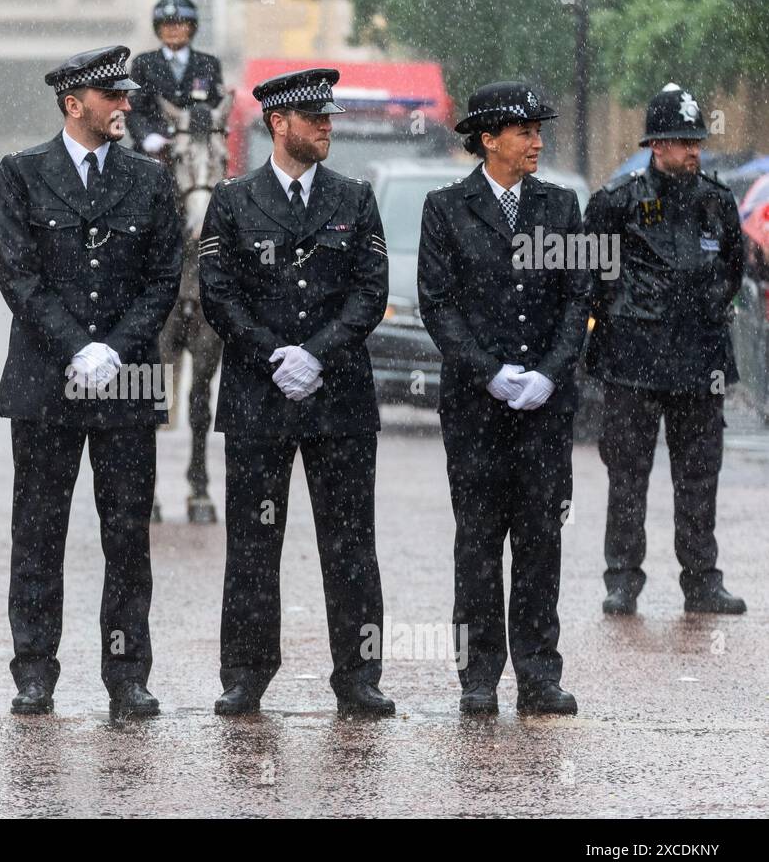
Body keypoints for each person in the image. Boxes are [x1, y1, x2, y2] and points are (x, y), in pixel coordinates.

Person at [0, 45, 181, 716]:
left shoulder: (151, 179)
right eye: (113, 97)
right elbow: (18, 275)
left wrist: (116, 349)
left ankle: (127, 675)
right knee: (38, 532)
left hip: (124, 380)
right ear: (75, 105)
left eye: (127, 95)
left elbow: (164, 279)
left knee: (127, 535)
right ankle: (34, 670)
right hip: (47, 378)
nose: (126, 105)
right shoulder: (22, 173)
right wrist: (76, 346)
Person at [198, 68, 394, 717]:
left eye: (328, 118)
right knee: (253, 544)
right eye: (315, 119)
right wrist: (270, 353)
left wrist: (317, 353)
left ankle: (359, 674)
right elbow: (218, 292)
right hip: (260, 394)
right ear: (278, 124)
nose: (326, 127)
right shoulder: (232, 200)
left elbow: (370, 290)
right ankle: (247, 672)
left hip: (337, 396)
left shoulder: (354, 197)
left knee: (351, 543)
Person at [417, 81, 589, 716]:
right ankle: (479, 674)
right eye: (524, 132)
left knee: (542, 538)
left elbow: (578, 298)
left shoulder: (561, 205)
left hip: (545, 408)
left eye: (540, 131)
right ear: (488, 140)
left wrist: (548, 371)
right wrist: (489, 371)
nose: (537, 141)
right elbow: (438, 304)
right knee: (479, 540)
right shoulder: (446, 207)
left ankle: (540, 674)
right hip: (475, 407)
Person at [585, 83, 747, 616]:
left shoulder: (718, 203)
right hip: (632, 363)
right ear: (657, 145)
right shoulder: (617, 203)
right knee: (627, 477)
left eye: (697, 139)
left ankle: (701, 580)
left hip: (701, 366)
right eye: (683, 141)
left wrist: (698, 313)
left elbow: (731, 271)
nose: (694, 149)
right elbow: (595, 278)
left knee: (700, 476)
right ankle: (623, 579)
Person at [125, 0, 225, 159]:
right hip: (154, 151)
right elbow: (134, 109)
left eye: (179, 23)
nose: (172, 29)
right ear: (158, 29)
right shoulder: (143, 63)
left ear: (191, 27)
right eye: (165, 24)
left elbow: (216, 107)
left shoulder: (209, 63)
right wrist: (146, 136)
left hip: (196, 149)